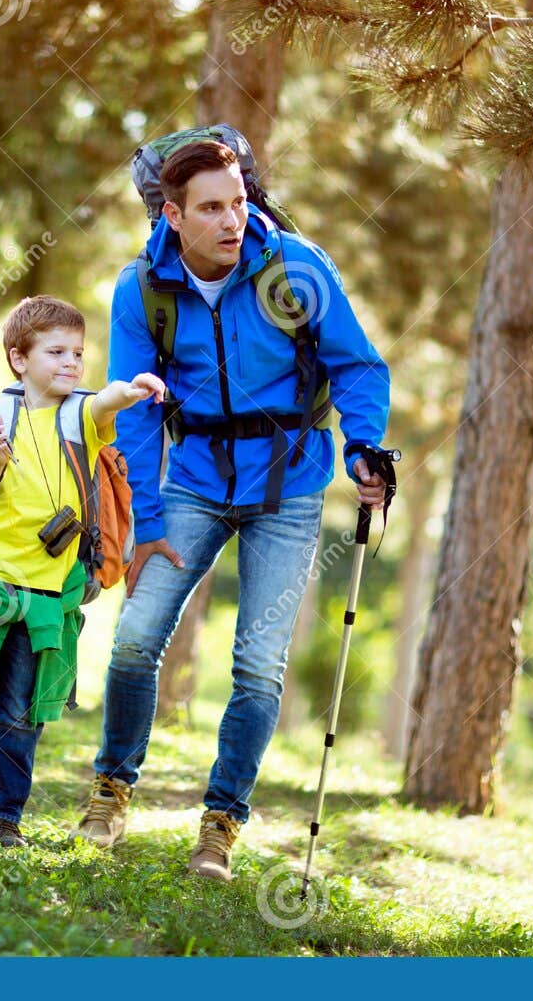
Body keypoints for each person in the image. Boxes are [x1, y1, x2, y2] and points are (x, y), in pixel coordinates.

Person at [76, 139, 391, 881]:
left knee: (256, 662)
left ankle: (220, 825)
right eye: (212, 208)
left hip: (288, 486)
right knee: (135, 637)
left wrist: (364, 450)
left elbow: (356, 366)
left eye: (239, 202)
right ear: (173, 214)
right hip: (191, 481)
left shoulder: (295, 269)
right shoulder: (142, 289)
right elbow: (134, 411)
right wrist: (145, 522)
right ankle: (111, 789)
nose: (231, 220)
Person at [0, 296, 163, 847]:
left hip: (48, 593)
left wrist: (134, 385)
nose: (71, 362)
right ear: (18, 359)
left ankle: (4, 817)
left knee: (22, 715)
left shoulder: (82, 416)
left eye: (78, 352)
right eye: (56, 352)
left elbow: (108, 401)